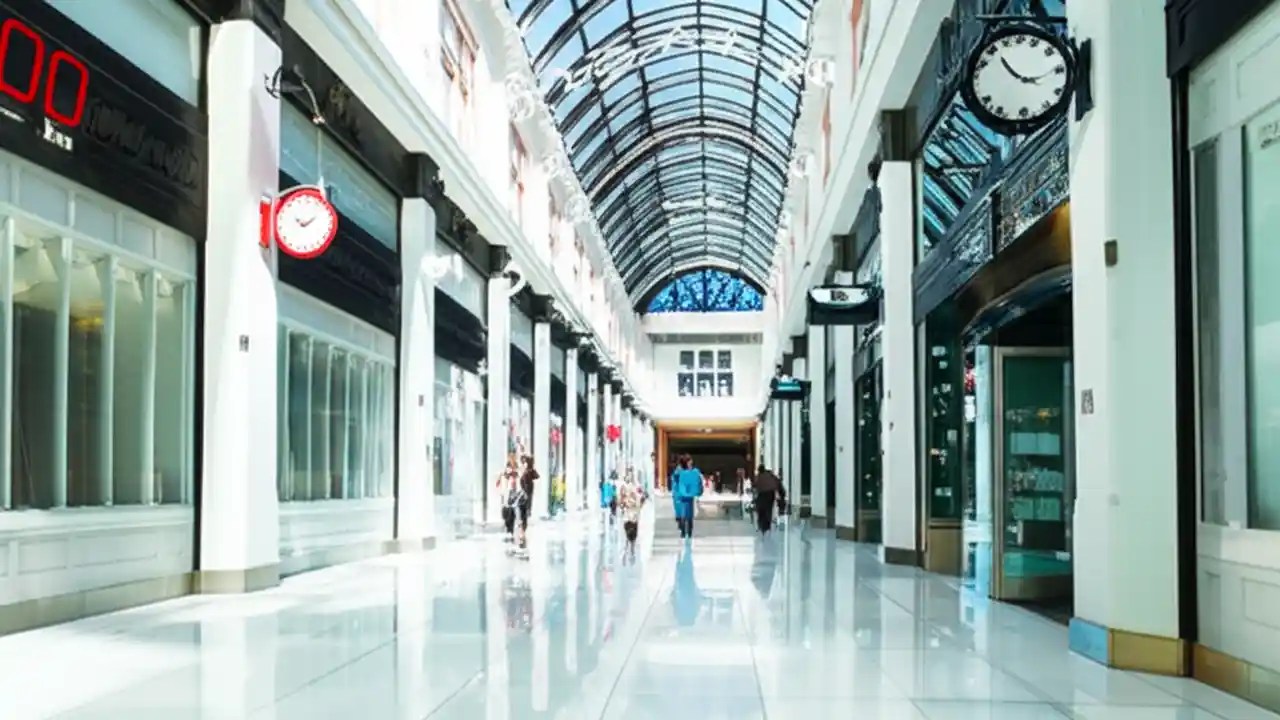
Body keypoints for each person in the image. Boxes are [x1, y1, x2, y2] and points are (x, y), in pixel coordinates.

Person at [671, 454, 704, 539]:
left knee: (689, 515)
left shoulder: (691, 471)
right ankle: (683, 531)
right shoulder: (679, 471)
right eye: (689, 462)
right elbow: (676, 482)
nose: (691, 464)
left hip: (688, 497)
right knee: (682, 514)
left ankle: (688, 533)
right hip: (680, 497)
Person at [617, 471, 645, 561]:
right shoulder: (624, 487)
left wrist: (640, 502)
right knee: (628, 532)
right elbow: (620, 500)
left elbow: (641, 499)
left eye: (631, 476)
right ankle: (627, 550)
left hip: (634, 514)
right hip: (628, 514)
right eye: (628, 476)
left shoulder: (636, 487)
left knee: (632, 533)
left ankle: (630, 549)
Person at [753, 463, 784, 534]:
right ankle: (767, 525)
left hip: (762, 494)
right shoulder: (771, 475)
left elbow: (755, 486)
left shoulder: (759, 476)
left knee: (761, 509)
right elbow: (778, 484)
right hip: (770, 494)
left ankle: (762, 525)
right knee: (768, 509)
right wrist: (781, 494)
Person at [496, 454, 520, 542]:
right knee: (508, 509)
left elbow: (517, 478)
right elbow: (501, 481)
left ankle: (510, 527)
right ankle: (509, 526)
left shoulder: (515, 471)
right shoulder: (506, 472)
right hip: (508, 492)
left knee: (511, 510)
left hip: (512, 492)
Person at [517, 455, 538, 550]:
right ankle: (522, 533)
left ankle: (522, 533)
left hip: (525, 497)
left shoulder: (527, 473)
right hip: (525, 497)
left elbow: (536, 476)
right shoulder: (526, 473)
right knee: (523, 515)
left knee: (524, 516)